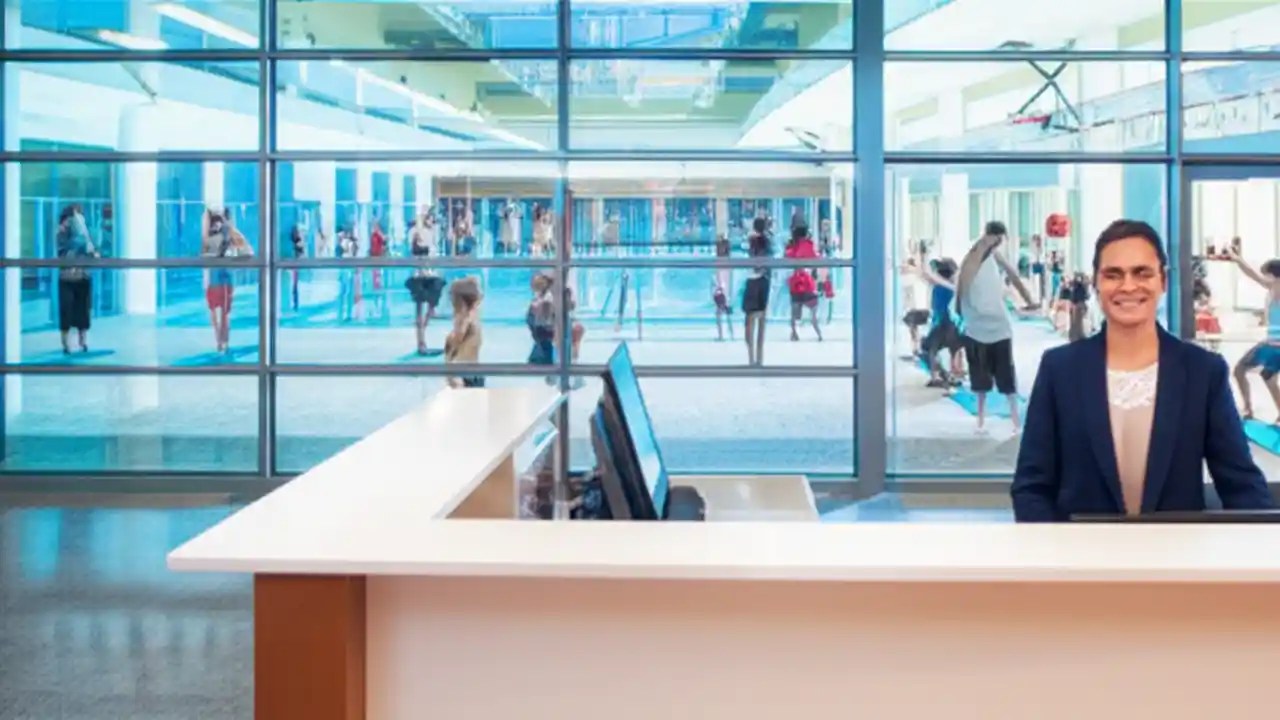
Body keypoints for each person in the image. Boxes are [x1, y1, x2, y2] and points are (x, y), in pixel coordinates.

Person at [1012, 219, 1274, 522]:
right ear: (1096, 283)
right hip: (1080, 562)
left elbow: (1241, 486)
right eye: (1113, 274)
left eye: (1141, 273)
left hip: (1176, 561)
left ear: (1162, 281)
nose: (1128, 286)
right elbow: (1032, 487)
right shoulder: (1060, 369)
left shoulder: (1203, 372)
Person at [955, 221, 1036, 434]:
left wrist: (1029, 299)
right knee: (982, 378)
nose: (999, 243)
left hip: (996, 325)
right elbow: (962, 283)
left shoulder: (991, 254)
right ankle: (983, 420)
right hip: (977, 326)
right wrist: (959, 311)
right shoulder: (974, 256)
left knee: (1004, 376)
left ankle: (1013, 420)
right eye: (999, 238)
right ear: (993, 235)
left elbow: (1013, 275)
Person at [1225, 249, 1280, 422]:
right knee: (1264, 376)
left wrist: (1237, 259)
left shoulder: (1277, 287)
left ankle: (1249, 410)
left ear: (1274, 275)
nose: (1265, 279)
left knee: (1242, 370)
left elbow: (1253, 275)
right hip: (1271, 343)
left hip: (1275, 345)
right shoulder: (1273, 292)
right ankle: (1250, 409)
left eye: (1267, 275)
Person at [201, 208, 253, 354]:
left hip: (223, 278)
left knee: (223, 313)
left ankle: (223, 342)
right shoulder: (210, 237)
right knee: (217, 314)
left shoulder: (228, 234)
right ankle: (220, 341)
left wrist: (228, 228)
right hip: (214, 278)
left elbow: (247, 250)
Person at [56, 204, 97, 354]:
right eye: (74, 217)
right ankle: (66, 343)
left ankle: (83, 341)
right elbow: (63, 253)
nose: (77, 220)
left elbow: (92, 251)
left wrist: (91, 249)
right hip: (67, 278)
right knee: (66, 311)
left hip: (82, 277)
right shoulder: (61, 233)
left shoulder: (85, 234)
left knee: (83, 312)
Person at [444, 276, 484, 388]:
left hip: (462, 374)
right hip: (474, 372)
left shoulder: (464, 319)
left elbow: (456, 340)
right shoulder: (474, 316)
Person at [784, 225, 822, 342]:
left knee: (794, 310)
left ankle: (794, 332)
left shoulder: (792, 246)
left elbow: (787, 257)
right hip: (807, 282)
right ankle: (819, 333)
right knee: (813, 310)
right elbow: (817, 258)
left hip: (795, 283)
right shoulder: (808, 245)